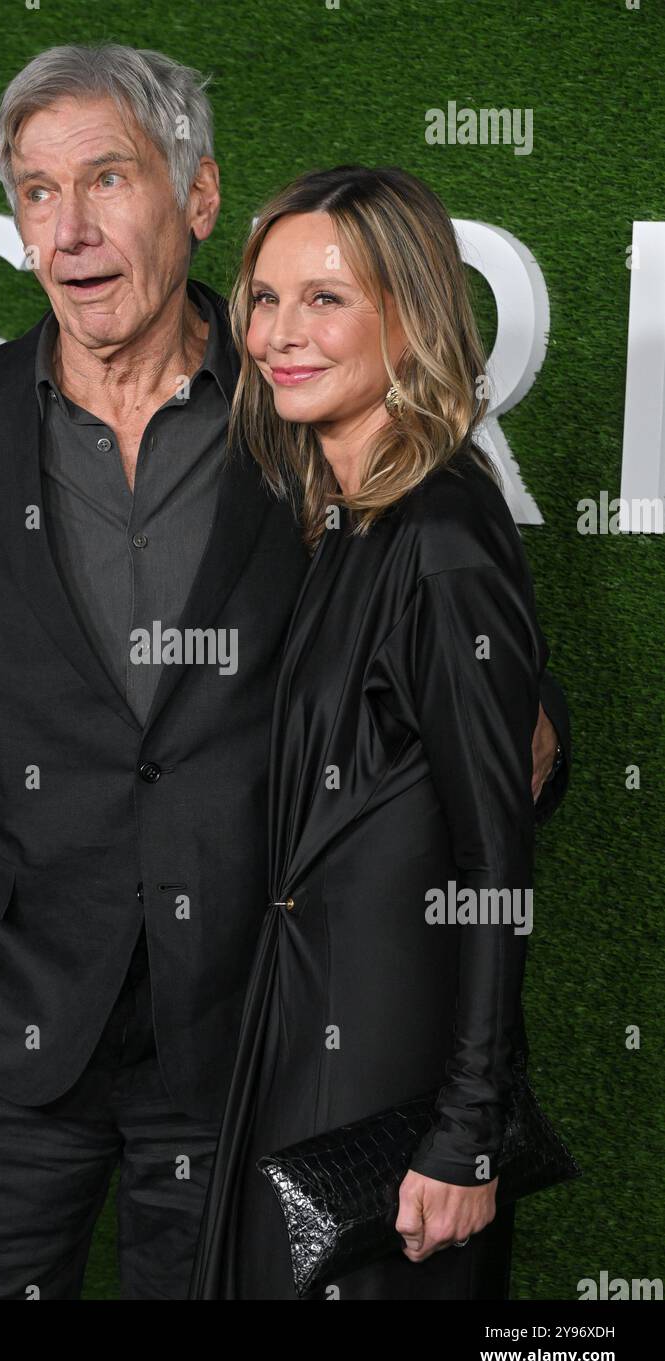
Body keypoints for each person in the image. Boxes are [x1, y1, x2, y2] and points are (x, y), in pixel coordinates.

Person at [0, 44, 567, 1300]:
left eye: (107, 178)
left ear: (194, 200)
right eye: (34, 191)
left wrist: (506, 751)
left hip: (243, 1040)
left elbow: (491, 713)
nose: (68, 229)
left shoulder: (304, 415)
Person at [190, 165, 566, 1300]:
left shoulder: (440, 530)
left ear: (409, 316)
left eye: (326, 299)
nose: (277, 334)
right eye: (263, 298)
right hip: (307, 1040)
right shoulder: (350, 521)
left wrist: (465, 1132)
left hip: (392, 1087)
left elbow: (495, 860)